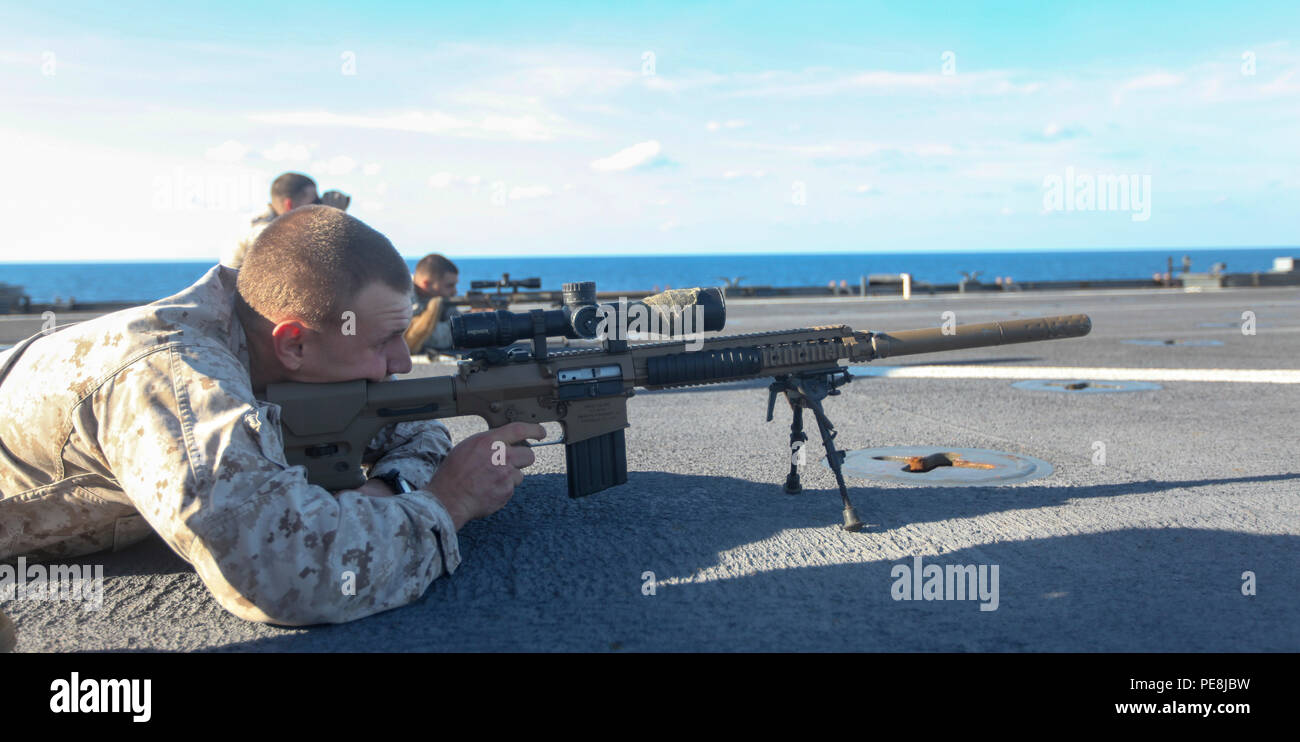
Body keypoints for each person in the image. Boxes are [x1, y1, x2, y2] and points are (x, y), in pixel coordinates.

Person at [0, 206, 544, 628]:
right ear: (293, 345)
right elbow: (284, 578)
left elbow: (413, 427)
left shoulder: (271, 330)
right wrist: (447, 503)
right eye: (384, 341)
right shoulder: (177, 380)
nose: (402, 361)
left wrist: (388, 489)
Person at [221, 172, 351, 270]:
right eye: (314, 203)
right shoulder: (261, 232)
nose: (317, 209)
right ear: (289, 205)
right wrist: (331, 218)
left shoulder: (265, 225)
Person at [404, 253, 461, 357]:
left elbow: (455, 319)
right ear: (426, 284)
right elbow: (431, 337)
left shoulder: (438, 297)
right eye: (449, 286)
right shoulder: (402, 297)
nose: (454, 291)